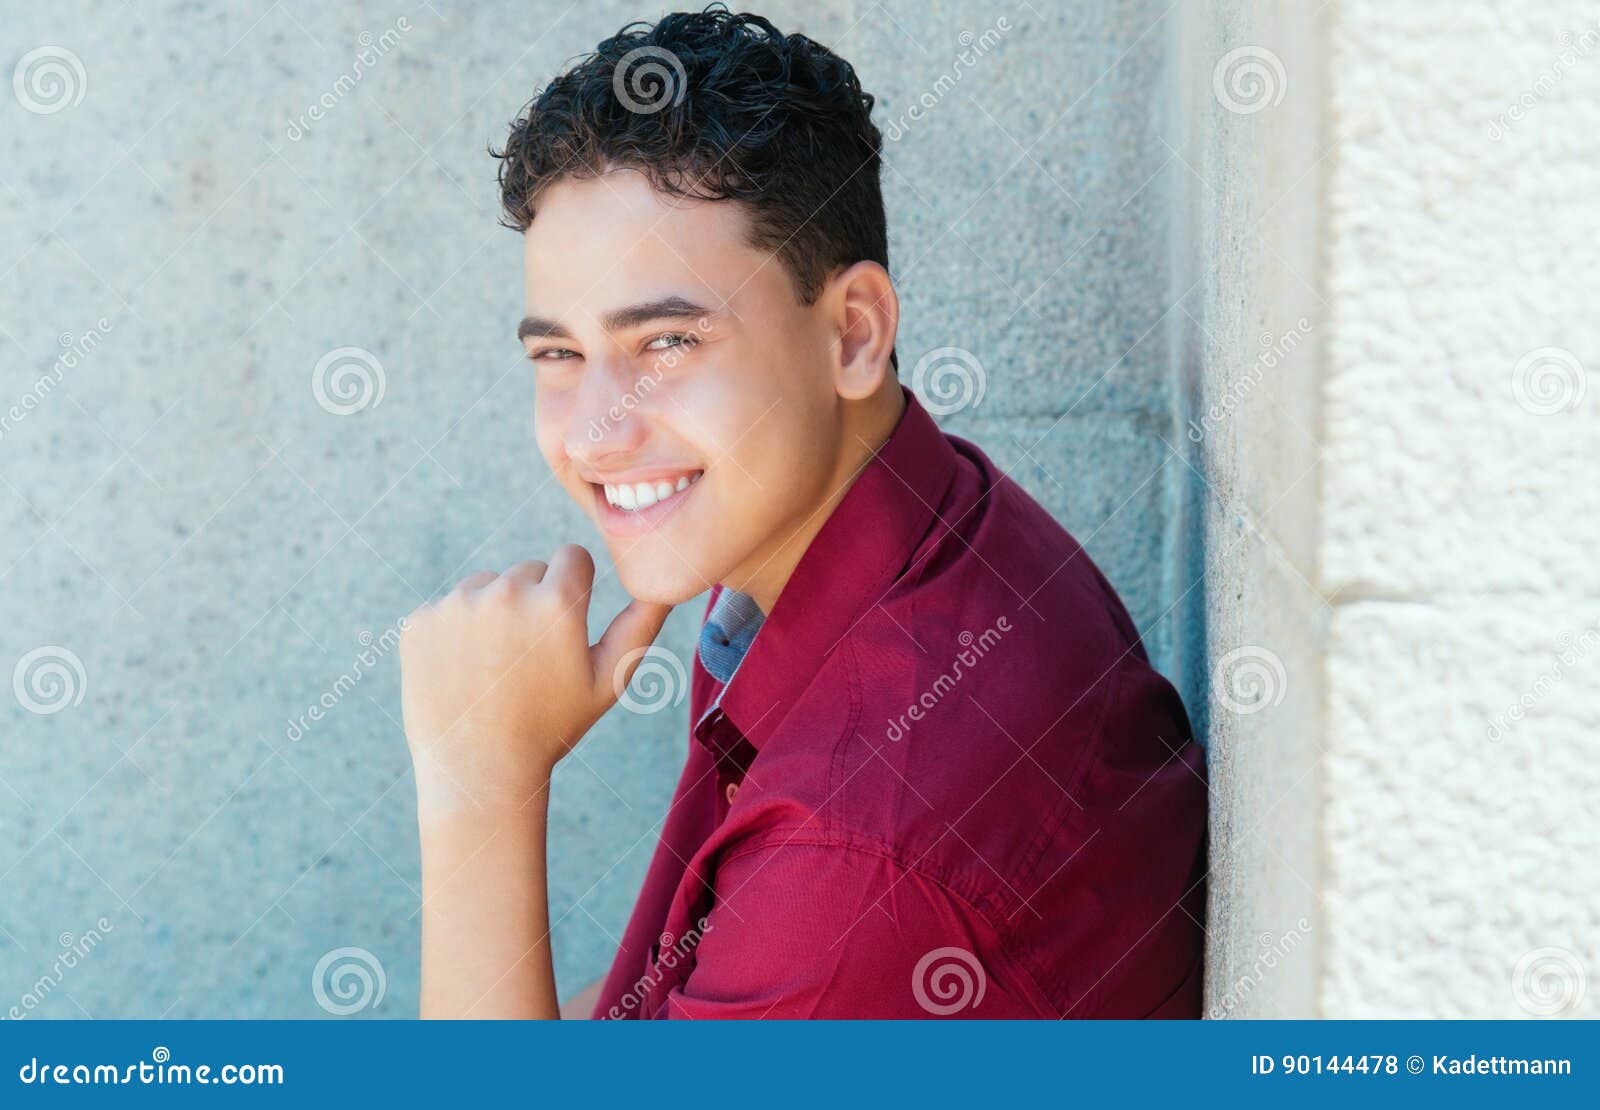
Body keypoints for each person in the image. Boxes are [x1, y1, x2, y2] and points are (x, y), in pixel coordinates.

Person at [397, 5, 1207, 1019]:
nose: (597, 434)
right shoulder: (919, 520)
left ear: (854, 335)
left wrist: (479, 781)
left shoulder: (865, 850)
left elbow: (847, 882)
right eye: (558, 355)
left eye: (665, 344)